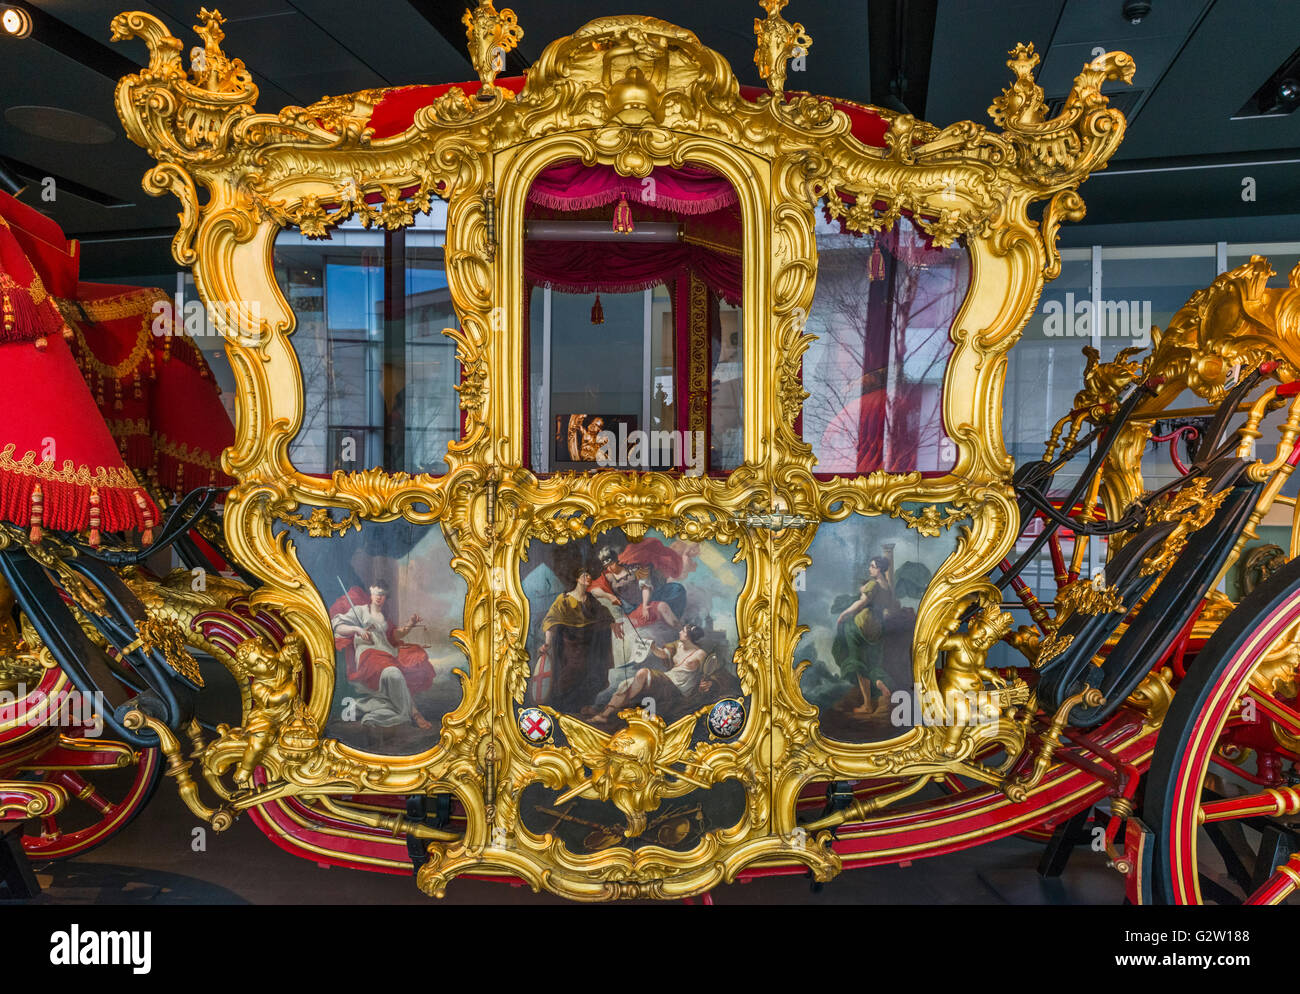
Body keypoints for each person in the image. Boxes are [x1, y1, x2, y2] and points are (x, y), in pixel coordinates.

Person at [331, 581, 435, 729]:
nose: (379, 597)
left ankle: (377, 707)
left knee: (400, 675)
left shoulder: (384, 617)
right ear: (371, 594)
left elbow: (396, 635)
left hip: (387, 653)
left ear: (386, 597)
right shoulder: (360, 611)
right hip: (368, 654)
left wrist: (410, 624)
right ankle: (415, 713)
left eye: (382, 595)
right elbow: (338, 626)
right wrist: (357, 629)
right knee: (393, 673)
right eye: (376, 593)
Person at [536, 569, 618, 713]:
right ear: (577, 579)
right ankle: (563, 708)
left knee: (591, 673)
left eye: (589, 575)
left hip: (589, 645)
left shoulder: (591, 599)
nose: (588, 577)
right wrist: (548, 643)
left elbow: (604, 614)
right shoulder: (564, 599)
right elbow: (551, 621)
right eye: (584, 575)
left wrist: (613, 624)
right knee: (571, 673)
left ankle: (584, 707)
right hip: (570, 645)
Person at [593, 624, 709, 724]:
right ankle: (605, 714)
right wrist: (653, 647)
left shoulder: (700, 654)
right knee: (627, 683)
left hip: (680, 688)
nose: (680, 632)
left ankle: (618, 706)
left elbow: (708, 672)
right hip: (669, 677)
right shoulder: (678, 645)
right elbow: (663, 654)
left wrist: (706, 683)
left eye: (683, 631)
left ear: (688, 636)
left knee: (643, 673)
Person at [831, 556, 898, 715]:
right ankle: (880, 682)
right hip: (877, 628)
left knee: (858, 662)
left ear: (879, 569)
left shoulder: (873, 585)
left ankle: (867, 704)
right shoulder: (886, 586)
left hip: (861, 625)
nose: (870, 569)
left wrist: (844, 613)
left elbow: (861, 603)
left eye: (873, 566)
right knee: (873, 662)